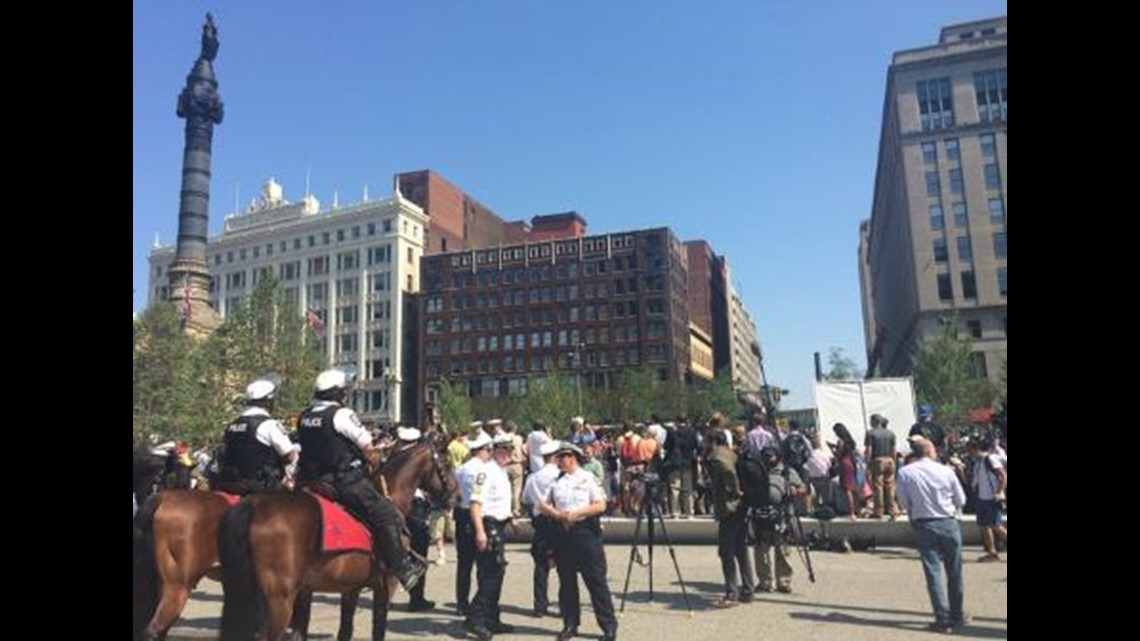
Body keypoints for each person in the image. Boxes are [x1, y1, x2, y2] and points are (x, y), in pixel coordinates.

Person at [294, 368, 426, 592]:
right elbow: (367, 447)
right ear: (338, 395)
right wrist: (375, 464)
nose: (345, 396)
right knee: (385, 513)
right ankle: (402, 566)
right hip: (340, 481)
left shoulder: (305, 416)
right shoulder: (342, 414)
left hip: (308, 482)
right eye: (344, 392)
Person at [539, 443, 618, 641]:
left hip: (586, 533)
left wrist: (575, 514)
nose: (559, 461)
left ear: (572, 457)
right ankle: (570, 623)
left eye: (562, 457)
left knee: (596, 581)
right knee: (567, 583)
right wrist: (559, 515)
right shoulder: (557, 480)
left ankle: (608, 626)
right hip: (563, 534)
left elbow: (600, 505)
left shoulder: (587, 478)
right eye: (558, 457)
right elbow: (542, 505)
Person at [896, 436, 968, 633]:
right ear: (930, 451)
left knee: (933, 572)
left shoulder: (904, 472)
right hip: (948, 521)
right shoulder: (946, 470)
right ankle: (958, 613)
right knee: (954, 570)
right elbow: (961, 499)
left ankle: (942, 618)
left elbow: (903, 502)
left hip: (923, 524)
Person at [463, 434, 517, 640]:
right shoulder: (485, 472)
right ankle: (475, 617)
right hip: (488, 525)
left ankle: (491, 617)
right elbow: (475, 504)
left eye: (509, 451)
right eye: (502, 450)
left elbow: (498, 501)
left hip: (499, 524)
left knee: (496, 572)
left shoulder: (501, 472)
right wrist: (480, 531)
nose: (506, 455)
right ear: (493, 450)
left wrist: (510, 517)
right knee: (492, 574)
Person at [215, 377, 297, 495]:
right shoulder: (269, 424)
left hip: (231, 484)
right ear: (269, 401)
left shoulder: (232, 425)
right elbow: (289, 455)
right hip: (260, 486)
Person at [705, 430, 755, 607]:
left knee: (726, 552)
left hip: (729, 508)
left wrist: (734, 490)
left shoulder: (718, 455)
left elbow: (727, 471)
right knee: (741, 549)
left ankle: (731, 593)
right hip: (740, 507)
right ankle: (748, 590)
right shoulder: (732, 453)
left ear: (712, 441)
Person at [751, 445, 805, 594]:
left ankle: (784, 582)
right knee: (761, 551)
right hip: (760, 515)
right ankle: (765, 582)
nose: (767, 459)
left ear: (778, 456)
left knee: (782, 550)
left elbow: (803, 488)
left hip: (782, 515)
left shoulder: (787, 472)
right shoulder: (758, 471)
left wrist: (794, 490)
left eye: (770, 456)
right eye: (765, 456)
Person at [454, 431, 492, 617]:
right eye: (489, 450)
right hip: (478, 514)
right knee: (482, 563)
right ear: (483, 450)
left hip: (461, 513)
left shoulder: (461, 468)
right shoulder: (483, 469)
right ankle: (480, 602)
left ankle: (462, 603)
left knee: (464, 564)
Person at [523, 440, 563, 617]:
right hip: (559, 522)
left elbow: (526, 499)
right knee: (564, 566)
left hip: (540, 523)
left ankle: (540, 605)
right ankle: (565, 604)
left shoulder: (533, 477)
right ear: (555, 457)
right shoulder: (561, 475)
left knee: (540, 566)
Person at [968, 436, 1007, 563]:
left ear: (976, 449)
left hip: (992, 498)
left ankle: (992, 552)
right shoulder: (978, 462)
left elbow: (1002, 475)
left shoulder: (990, 459)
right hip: (982, 498)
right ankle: (992, 552)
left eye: (970, 450)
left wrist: (1000, 491)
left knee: (996, 525)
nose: (969, 453)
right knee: (984, 526)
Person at [864, 414, 900, 519]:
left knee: (878, 486)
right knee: (890, 485)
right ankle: (892, 510)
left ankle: (879, 511)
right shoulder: (891, 433)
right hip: (889, 459)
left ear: (875, 421)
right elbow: (894, 450)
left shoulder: (870, 433)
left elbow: (869, 449)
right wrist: (894, 461)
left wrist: (868, 463)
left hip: (878, 460)